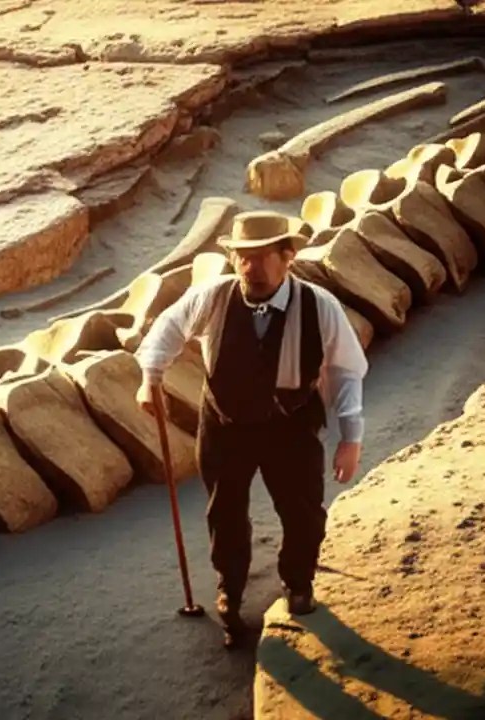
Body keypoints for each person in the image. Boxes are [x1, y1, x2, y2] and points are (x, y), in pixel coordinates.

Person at [134, 210, 369, 649]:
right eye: (242, 257)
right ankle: (230, 591)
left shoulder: (320, 306)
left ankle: (298, 584)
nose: (250, 268)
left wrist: (350, 438)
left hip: (291, 426)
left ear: (288, 257)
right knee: (225, 513)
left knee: (303, 513)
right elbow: (168, 328)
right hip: (225, 425)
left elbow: (346, 372)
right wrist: (150, 376)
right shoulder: (214, 296)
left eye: (261, 257)